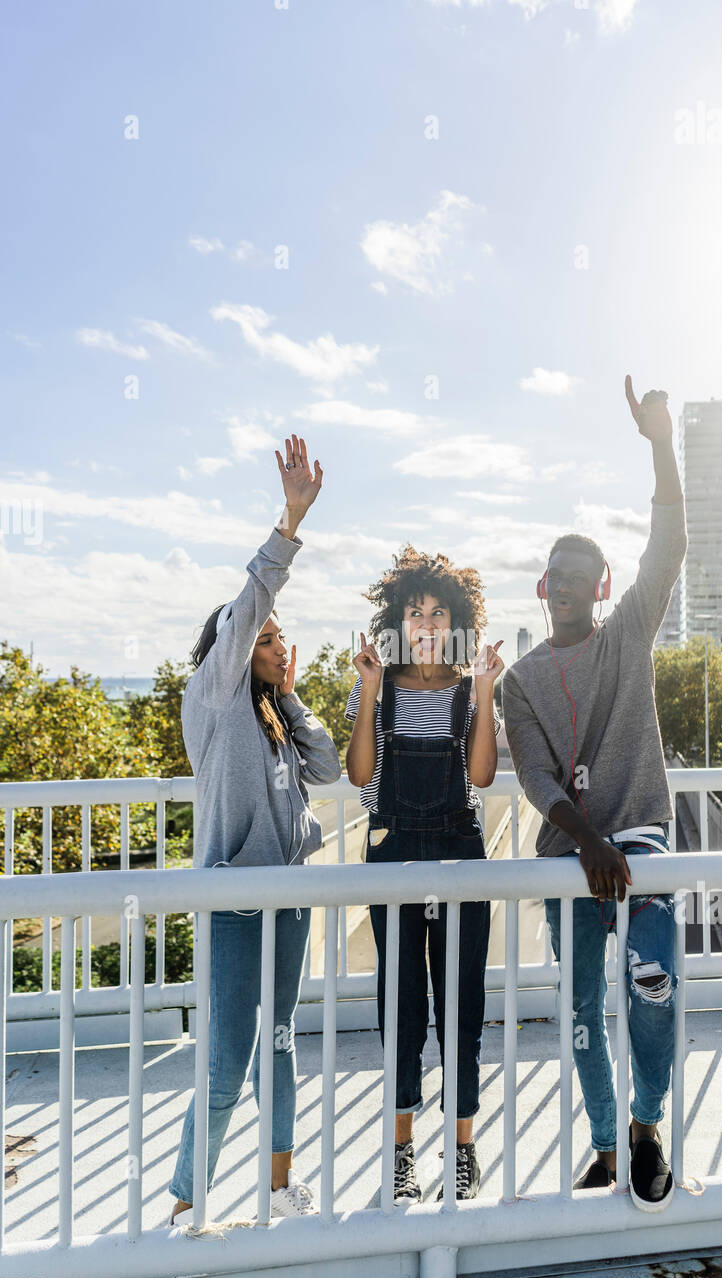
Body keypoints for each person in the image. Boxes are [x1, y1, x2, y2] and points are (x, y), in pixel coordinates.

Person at [502, 377, 687, 1212]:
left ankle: (647, 1127)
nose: (568, 579)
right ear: (544, 589)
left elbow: (670, 545)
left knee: (651, 975)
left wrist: (659, 443)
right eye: (556, 572)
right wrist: (582, 841)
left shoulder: (629, 632)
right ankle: (608, 1145)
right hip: (570, 852)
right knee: (578, 1010)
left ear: (601, 586)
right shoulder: (521, 681)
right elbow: (537, 778)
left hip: (639, 834)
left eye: (582, 570)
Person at [168, 434, 341, 1226]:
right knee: (228, 1058)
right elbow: (249, 608)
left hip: (290, 896)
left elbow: (331, 770)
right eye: (265, 638)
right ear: (235, 647)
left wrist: (293, 694)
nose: (274, 644)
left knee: (280, 1043)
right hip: (236, 905)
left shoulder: (272, 717)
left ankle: (279, 1186)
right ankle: (184, 1203)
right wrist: (291, 519)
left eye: (277, 638)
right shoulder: (210, 700)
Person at [345, 546, 504, 1202]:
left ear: (459, 619)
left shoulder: (471, 688)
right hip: (394, 852)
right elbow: (358, 777)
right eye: (416, 611)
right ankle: (402, 1149)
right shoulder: (375, 683)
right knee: (401, 1004)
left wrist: (488, 692)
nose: (428, 622)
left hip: (458, 852)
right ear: (399, 619)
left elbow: (482, 777)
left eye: (440, 611)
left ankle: (463, 1149)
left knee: (461, 1005)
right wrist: (371, 691)